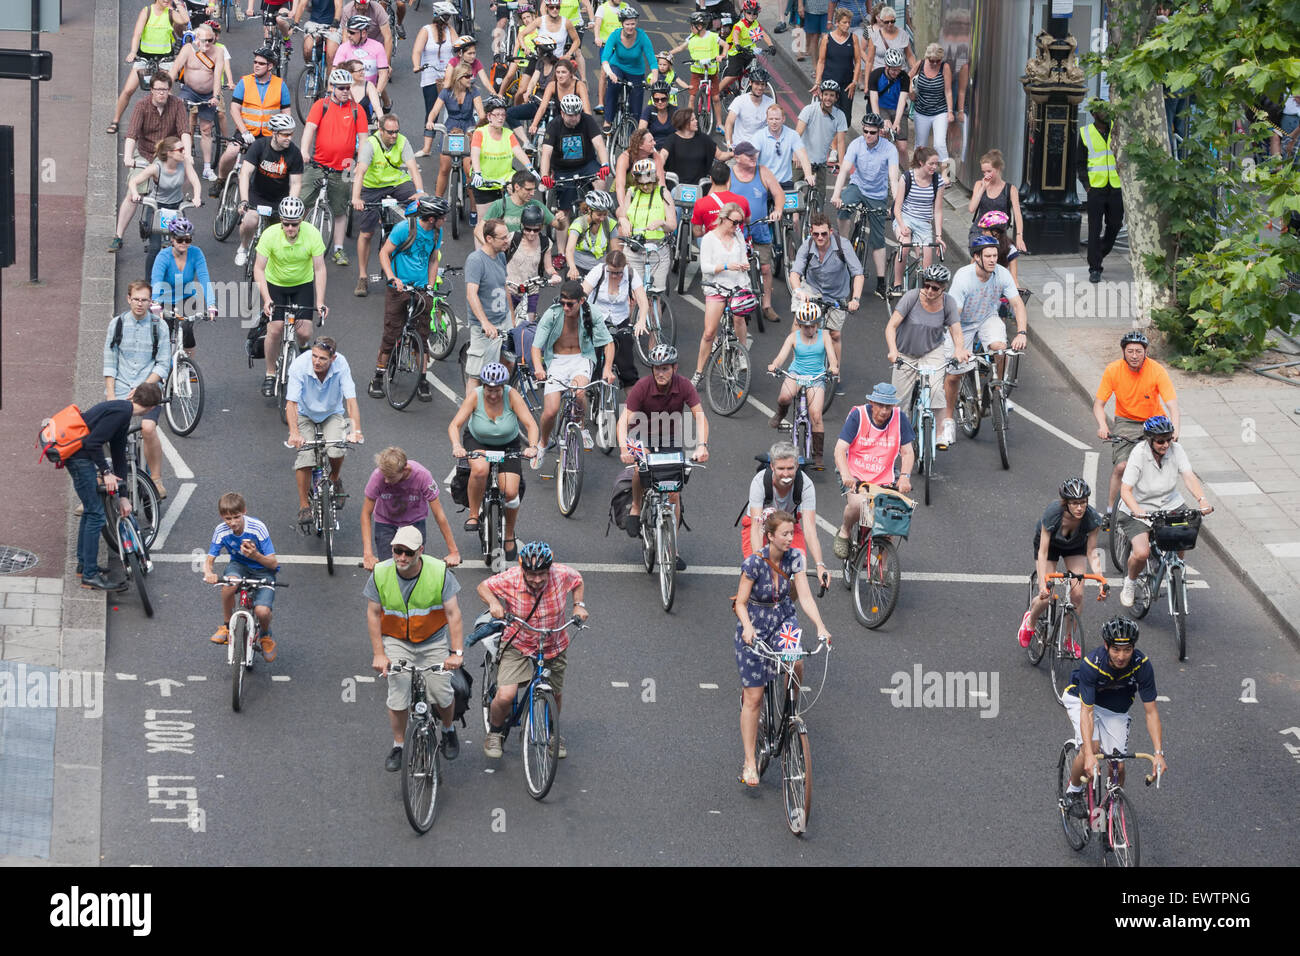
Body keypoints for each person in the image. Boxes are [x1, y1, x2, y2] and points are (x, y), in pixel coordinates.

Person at [734, 509, 831, 787]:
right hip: (755, 623)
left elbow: (804, 596)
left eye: (792, 533)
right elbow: (740, 602)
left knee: (796, 660)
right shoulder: (754, 563)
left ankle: (791, 711)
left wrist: (820, 626)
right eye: (785, 534)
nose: (791, 538)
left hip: (783, 619)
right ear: (771, 536)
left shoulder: (796, 559)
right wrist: (748, 628)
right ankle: (750, 761)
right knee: (753, 697)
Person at [367, 525, 467, 770]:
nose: (401, 557)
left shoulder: (439, 572)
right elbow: (373, 613)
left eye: (408, 553)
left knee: (442, 693)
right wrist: (379, 654)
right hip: (396, 640)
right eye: (397, 551)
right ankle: (399, 745)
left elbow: (453, 614)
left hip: (432, 641)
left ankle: (448, 729)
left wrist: (456, 653)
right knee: (397, 696)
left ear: (420, 551)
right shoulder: (380, 573)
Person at [477, 542, 587, 759]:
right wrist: (494, 603)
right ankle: (496, 732)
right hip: (518, 642)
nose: (537, 579)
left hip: (553, 642)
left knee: (554, 692)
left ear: (550, 568)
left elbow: (578, 581)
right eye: (531, 574)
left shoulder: (561, 574)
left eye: (542, 574)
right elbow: (483, 587)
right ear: (522, 568)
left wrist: (579, 605)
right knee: (506, 695)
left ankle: (554, 734)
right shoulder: (511, 578)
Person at [1060, 617, 1168, 818]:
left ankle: (1113, 808)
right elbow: (1087, 712)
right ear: (1106, 646)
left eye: (1127, 650)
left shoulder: (1142, 665)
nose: (1121, 656)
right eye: (1116, 650)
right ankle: (1073, 792)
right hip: (1082, 702)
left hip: (1115, 709)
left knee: (1117, 763)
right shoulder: (1092, 664)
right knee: (1090, 749)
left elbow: (1151, 712)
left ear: (1133, 648)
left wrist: (1159, 753)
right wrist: (1091, 756)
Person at [61, 383, 164, 591]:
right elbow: (92, 443)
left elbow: (118, 456)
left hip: (80, 458)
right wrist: (105, 473)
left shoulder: (123, 412)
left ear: (134, 394)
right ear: (152, 408)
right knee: (96, 515)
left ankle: (84, 565)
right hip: (79, 459)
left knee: (92, 511)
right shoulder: (120, 413)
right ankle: (89, 576)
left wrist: (123, 495)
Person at [617, 344, 710, 568]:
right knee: (642, 468)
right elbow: (623, 422)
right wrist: (624, 449)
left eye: (665, 368)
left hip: (671, 440)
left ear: (675, 368)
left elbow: (700, 417)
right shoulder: (642, 387)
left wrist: (702, 445)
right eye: (656, 368)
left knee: (674, 494)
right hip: (641, 437)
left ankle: (672, 550)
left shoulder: (685, 385)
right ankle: (637, 506)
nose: (660, 373)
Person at [1116, 415, 1213, 608]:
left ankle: (1174, 569)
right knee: (1142, 553)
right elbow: (1125, 490)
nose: (1166, 444)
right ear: (1149, 440)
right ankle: (1130, 582)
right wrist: (1137, 511)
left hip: (1170, 503)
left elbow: (1188, 476)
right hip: (1139, 507)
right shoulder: (1138, 454)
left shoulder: (1176, 450)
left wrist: (1202, 500)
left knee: (1184, 536)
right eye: (1161, 441)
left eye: (1169, 439)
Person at [939, 236, 1026, 449]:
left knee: (1001, 348)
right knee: (953, 376)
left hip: (987, 318)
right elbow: (954, 316)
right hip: (961, 322)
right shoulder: (963, 277)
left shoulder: (1002, 274)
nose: (992, 260)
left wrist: (1022, 332)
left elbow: (1017, 304)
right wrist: (959, 347)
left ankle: (999, 390)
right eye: (987, 256)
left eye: (995, 256)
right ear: (976, 257)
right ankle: (948, 421)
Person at [448, 362, 541, 557]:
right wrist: (457, 446)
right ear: (483, 386)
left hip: (508, 444)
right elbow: (454, 425)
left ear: (503, 387)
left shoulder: (511, 395)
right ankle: (473, 514)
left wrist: (533, 447)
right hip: (477, 441)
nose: (492, 395)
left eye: (497, 390)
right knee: (480, 470)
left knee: (510, 491)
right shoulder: (475, 396)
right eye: (489, 390)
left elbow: (531, 425)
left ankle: (508, 534)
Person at [1093, 330, 1180, 518]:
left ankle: (1163, 505)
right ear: (1123, 352)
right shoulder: (1113, 370)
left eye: (1138, 351)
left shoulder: (1156, 370)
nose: (1134, 356)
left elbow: (1172, 405)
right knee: (1121, 467)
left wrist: (1176, 429)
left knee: (1161, 465)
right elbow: (1099, 405)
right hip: (1126, 421)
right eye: (1130, 351)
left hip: (1154, 421)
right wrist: (1103, 425)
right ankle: (1111, 511)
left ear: (1145, 352)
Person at [369, 196, 448, 402]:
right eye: (443, 217)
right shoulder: (404, 229)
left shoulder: (436, 232)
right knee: (391, 333)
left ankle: (422, 379)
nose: (445, 220)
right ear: (431, 218)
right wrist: (392, 277)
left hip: (421, 288)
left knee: (422, 335)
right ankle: (378, 377)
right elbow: (384, 253)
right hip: (399, 288)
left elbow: (432, 259)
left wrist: (430, 286)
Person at [1019, 477, 1108, 649]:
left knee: (1078, 596)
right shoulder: (1053, 514)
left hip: (1075, 546)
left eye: (1083, 502)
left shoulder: (1092, 519)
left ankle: (1068, 638)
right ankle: (1030, 621)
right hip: (1050, 545)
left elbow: (1092, 552)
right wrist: (1044, 584)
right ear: (1066, 503)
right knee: (1046, 597)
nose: (1080, 507)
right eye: (1075, 503)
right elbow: (1043, 551)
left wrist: (1101, 580)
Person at [285, 337, 364, 527]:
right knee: (305, 458)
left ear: (333, 358)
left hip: (332, 412)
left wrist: (356, 430)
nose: (316, 362)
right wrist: (294, 433)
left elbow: (351, 400)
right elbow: (291, 404)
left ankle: (335, 479)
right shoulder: (298, 366)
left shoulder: (342, 365)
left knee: (337, 449)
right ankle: (304, 506)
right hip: (304, 414)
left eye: (322, 358)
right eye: (314, 356)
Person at [103, 281, 171, 500]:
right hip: (121, 388)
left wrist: (143, 386)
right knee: (105, 433)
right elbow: (110, 361)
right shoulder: (117, 324)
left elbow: (162, 364)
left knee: (148, 427)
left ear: (150, 302)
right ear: (128, 299)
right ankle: (101, 485)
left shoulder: (159, 326)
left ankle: (156, 479)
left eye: (145, 300)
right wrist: (111, 395)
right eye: (136, 299)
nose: (140, 304)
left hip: (148, 388)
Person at [254, 195, 328, 396]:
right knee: (275, 329)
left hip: (302, 284)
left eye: (294, 224)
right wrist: (267, 298)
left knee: (304, 332)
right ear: (281, 221)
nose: (290, 229)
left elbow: (320, 269)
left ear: (301, 220)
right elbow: (258, 269)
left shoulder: (312, 234)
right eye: (286, 224)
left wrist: (320, 301)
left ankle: (302, 348)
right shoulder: (269, 235)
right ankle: (270, 374)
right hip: (276, 284)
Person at [532, 280, 617, 451]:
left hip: (582, 359)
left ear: (581, 301)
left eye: (570, 304)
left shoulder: (592, 313)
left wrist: (607, 368)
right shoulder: (552, 314)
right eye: (562, 303)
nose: (565, 308)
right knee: (550, 411)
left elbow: (608, 343)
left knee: (579, 393)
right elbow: (536, 346)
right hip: (556, 361)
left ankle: (581, 427)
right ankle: (543, 442)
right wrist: (539, 368)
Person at [831, 382, 914, 558]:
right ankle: (845, 531)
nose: (884, 411)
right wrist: (846, 474)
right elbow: (840, 450)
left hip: (885, 475)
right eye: (881, 406)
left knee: (890, 518)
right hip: (855, 473)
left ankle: (882, 570)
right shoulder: (858, 416)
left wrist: (905, 477)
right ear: (872, 403)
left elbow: (907, 452)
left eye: (888, 406)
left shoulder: (900, 419)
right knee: (857, 504)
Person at [351, 113, 427, 296]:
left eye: (396, 132)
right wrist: (356, 198)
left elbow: (412, 168)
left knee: (418, 211)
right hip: (372, 187)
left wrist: (420, 191)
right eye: (390, 132)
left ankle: (412, 260)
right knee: (367, 233)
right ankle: (362, 276)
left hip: (396, 183)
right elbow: (360, 173)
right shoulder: (370, 144)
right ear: (381, 130)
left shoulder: (402, 141)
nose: (394, 136)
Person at [884, 262, 967, 428]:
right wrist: (893, 351)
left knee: (936, 393)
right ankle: (903, 441)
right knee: (899, 403)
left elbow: (956, 331)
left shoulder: (948, 302)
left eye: (935, 288)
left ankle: (938, 435)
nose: (929, 291)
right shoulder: (912, 297)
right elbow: (891, 326)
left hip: (932, 351)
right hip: (905, 353)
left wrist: (959, 350)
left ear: (943, 288)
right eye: (927, 285)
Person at [301, 70, 368, 267]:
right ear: (332, 88)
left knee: (340, 209)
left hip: (346, 166)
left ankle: (338, 250)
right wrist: (304, 151)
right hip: (318, 163)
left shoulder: (357, 110)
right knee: (302, 201)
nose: (346, 91)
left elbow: (363, 139)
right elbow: (309, 129)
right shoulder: (320, 106)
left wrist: (361, 163)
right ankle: (297, 242)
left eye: (348, 88)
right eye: (341, 88)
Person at [830, 112, 899, 300]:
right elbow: (844, 170)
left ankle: (881, 283)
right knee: (844, 208)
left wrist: (895, 205)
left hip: (877, 194)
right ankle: (844, 244)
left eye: (872, 132)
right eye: (865, 131)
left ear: (880, 132)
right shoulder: (856, 144)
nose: (868, 135)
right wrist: (836, 195)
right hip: (857, 187)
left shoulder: (890, 149)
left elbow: (893, 178)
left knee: (878, 239)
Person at [788, 210, 863, 382]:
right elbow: (795, 273)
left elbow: (858, 273)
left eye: (823, 233)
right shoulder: (807, 246)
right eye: (816, 234)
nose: (820, 237)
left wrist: (855, 299)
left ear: (830, 231)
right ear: (811, 233)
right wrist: (799, 291)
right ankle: (796, 365)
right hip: (812, 290)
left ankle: (835, 371)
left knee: (834, 334)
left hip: (836, 295)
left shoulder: (843, 245)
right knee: (799, 322)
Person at [203, 492, 281, 658]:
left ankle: (266, 636)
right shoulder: (220, 531)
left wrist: (255, 556)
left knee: (262, 611)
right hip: (239, 566)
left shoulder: (257, 528)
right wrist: (208, 573)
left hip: (263, 569)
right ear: (221, 517)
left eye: (236, 517)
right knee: (229, 585)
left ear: (244, 511)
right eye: (227, 518)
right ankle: (225, 625)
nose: (232, 523)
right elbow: (209, 559)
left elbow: (273, 563)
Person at [742, 442, 829, 583]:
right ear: (772, 467)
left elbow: (810, 529)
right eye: (781, 469)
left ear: (797, 466)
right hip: (761, 527)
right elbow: (756, 527)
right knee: (756, 575)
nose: (786, 474)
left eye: (790, 468)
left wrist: (820, 565)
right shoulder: (760, 482)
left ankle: (786, 603)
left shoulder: (805, 485)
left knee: (799, 573)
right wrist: (760, 560)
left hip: (789, 526)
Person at [361, 447, 460, 571]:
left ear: (405, 469)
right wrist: (368, 554)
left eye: (390, 477)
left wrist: (453, 551)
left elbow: (439, 514)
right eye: (384, 476)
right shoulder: (378, 476)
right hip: (386, 521)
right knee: (387, 569)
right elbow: (366, 513)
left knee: (413, 567)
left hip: (414, 522)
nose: (385, 480)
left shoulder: (422, 476)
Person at [766, 301, 838, 468]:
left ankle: (817, 455)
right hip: (796, 374)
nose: (810, 330)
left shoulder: (825, 336)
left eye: (813, 326)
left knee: (816, 415)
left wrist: (833, 367)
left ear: (818, 324)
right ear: (799, 324)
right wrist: (774, 365)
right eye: (806, 327)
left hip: (816, 377)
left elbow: (832, 359)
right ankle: (780, 414)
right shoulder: (793, 337)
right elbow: (780, 357)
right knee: (784, 397)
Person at [693, 200, 753, 385]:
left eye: (740, 223)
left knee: (739, 319)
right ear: (723, 219)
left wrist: (744, 266)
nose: (737, 226)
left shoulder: (739, 237)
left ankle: (741, 355)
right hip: (717, 288)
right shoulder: (709, 239)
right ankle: (699, 372)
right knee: (709, 332)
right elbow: (705, 267)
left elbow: (744, 259)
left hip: (737, 286)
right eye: (734, 222)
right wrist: (726, 266)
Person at [109, 0, 191, 136]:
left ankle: (173, 128)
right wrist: (133, 52)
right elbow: (137, 34)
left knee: (167, 94)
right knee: (128, 89)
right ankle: (115, 120)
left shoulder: (171, 13)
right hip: (145, 58)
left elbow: (185, 20)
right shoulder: (147, 11)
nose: (166, 1)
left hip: (165, 60)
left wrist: (178, 3)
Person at [110, 136, 203, 254]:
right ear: (169, 153)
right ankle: (151, 272)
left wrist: (197, 197)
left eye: (184, 148)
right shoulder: (156, 168)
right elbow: (133, 182)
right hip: (157, 207)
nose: (184, 152)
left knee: (181, 246)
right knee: (154, 248)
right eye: (180, 150)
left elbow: (195, 182)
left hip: (176, 206)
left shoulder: (185, 162)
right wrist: (134, 193)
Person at [235, 111, 304, 268]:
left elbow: (295, 184)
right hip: (257, 195)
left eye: (291, 134)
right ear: (274, 133)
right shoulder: (259, 146)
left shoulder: (294, 153)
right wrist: (244, 200)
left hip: (279, 200)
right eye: (285, 135)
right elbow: (245, 173)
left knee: (281, 235)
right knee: (250, 221)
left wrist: (289, 205)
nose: (289, 138)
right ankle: (244, 247)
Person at [216, 48, 291, 188]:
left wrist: (283, 134)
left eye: (261, 63)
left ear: (270, 66)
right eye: (255, 62)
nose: (256, 65)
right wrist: (244, 131)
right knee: (231, 152)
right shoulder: (244, 82)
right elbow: (234, 109)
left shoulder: (281, 85)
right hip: (246, 132)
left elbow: (286, 113)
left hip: (269, 135)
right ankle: (221, 179)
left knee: (273, 167)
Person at [729, 141, 785, 325]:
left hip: (759, 228)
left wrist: (777, 209)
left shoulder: (763, 171)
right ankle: (738, 303)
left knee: (766, 268)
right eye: (749, 155)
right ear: (737, 157)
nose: (754, 158)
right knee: (737, 269)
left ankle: (766, 306)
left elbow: (778, 193)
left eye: (755, 154)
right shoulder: (730, 175)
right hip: (736, 231)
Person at [150, 216, 218, 365]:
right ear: (172, 239)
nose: (184, 244)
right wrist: (155, 303)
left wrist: (211, 304)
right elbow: (156, 282)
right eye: (180, 240)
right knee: (163, 334)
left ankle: (188, 366)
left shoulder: (196, 253)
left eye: (188, 240)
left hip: (187, 298)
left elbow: (204, 279)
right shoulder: (163, 257)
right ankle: (160, 371)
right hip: (164, 299)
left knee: (187, 329)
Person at [169, 21, 229, 181]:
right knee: (178, 117)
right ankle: (176, 157)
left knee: (206, 129)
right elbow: (174, 70)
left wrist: (215, 96)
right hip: (189, 91)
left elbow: (217, 76)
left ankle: (207, 167)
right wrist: (166, 89)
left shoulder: (218, 52)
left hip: (207, 93)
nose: (208, 43)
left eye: (211, 40)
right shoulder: (188, 50)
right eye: (205, 40)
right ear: (196, 39)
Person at [582, 248, 650, 384]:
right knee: (593, 361)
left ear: (624, 268)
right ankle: (593, 388)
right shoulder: (599, 271)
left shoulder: (631, 273)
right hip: (597, 318)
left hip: (620, 320)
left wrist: (642, 320)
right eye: (611, 272)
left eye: (618, 273)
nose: (614, 276)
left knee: (627, 366)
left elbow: (643, 300)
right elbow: (583, 294)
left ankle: (631, 400)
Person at [463, 219, 514, 393]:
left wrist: (512, 319)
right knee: (476, 375)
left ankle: (499, 397)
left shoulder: (500, 255)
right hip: (485, 327)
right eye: (503, 238)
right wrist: (485, 323)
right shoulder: (476, 260)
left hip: (503, 319)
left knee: (509, 360)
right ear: (489, 239)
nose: (507, 240)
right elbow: (471, 294)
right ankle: (471, 417)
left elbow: (504, 286)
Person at [538, 95, 611, 214]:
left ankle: (599, 214)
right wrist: (545, 175)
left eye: (577, 114)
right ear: (562, 113)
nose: (574, 118)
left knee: (601, 181)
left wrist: (605, 164)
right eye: (570, 115)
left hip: (587, 165)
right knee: (563, 211)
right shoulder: (554, 125)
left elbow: (599, 144)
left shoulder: (587, 120)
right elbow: (546, 154)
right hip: (563, 169)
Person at [470, 96, 535, 227]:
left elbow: (518, 152)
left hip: (505, 181)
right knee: (483, 222)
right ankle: (482, 248)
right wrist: (477, 173)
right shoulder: (480, 133)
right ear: (489, 116)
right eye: (497, 114)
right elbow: (475, 153)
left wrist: (530, 168)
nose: (500, 118)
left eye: (503, 115)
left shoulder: (508, 134)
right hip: (485, 182)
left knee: (511, 217)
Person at [418, 68, 482, 201]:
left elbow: (481, 114)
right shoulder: (446, 92)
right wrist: (430, 121)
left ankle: (474, 210)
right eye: (467, 76)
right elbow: (434, 111)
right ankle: (437, 202)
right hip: (450, 129)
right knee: (444, 168)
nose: (471, 78)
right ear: (458, 78)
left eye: (471, 75)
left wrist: (478, 127)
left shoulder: (474, 91)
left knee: (468, 170)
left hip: (468, 129)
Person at [123, 71, 194, 189]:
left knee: (168, 187)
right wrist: (127, 157)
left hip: (166, 155)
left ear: (169, 90)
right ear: (151, 90)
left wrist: (188, 153)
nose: (161, 93)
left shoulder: (177, 104)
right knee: (134, 191)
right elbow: (132, 134)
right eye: (158, 89)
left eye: (165, 90)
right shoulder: (142, 106)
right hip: (144, 153)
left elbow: (184, 132)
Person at [890, 145, 946, 294]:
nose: (935, 167)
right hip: (905, 218)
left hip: (924, 223)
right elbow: (897, 207)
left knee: (927, 266)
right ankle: (897, 282)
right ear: (921, 163)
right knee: (905, 246)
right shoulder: (907, 178)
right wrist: (902, 225)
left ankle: (921, 293)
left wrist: (939, 236)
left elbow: (938, 210)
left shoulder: (938, 181)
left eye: (936, 163)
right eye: (931, 164)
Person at [1079, 100, 1123, 284]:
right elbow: (1079, 162)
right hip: (1096, 188)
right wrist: (1086, 184)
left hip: (1116, 186)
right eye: (1101, 112)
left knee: (1115, 225)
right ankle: (1095, 268)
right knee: (1094, 228)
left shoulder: (1117, 130)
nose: (1105, 114)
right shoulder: (1085, 132)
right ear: (1094, 114)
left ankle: (1099, 251)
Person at [618, 158, 677, 293]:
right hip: (634, 249)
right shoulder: (632, 193)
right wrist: (623, 220)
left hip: (658, 250)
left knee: (656, 294)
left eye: (649, 183)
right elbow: (622, 215)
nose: (645, 187)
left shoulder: (663, 193)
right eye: (641, 183)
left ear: (655, 179)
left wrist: (662, 223)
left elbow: (672, 225)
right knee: (634, 295)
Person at [667, 11, 727, 131]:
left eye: (692, 25)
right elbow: (680, 47)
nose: (691, 28)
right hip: (697, 72)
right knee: (692, 98)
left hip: (711, 72)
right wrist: (668, 53)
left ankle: (719, 124)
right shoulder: (691, 37)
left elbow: (725, 45)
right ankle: (689, 121)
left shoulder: (713, 36)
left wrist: (722, 55)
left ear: (700, 26)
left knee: (715, 98)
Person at [600, 6, 656, 133]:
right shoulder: (615, 35)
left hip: (636, 71)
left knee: (636, 106)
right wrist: (610, 73)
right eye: (627, 24)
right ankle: (608, 120)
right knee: (613, 87)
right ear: (622, 23)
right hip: (617, 66)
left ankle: (632, 134)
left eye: (633, 23)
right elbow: (605, 58)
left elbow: (651, 58)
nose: (630, 27)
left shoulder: (642, 36)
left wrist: (654, 75)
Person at [504, 203, 563, 323]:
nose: (531, 233)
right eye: (527, 229)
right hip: (510, 289)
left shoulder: (545, 243)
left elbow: (548, 267)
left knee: (528, 324)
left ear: (541, 227)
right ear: (522, 226)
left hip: (531, 291)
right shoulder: (512, 239)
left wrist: (554, 275)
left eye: (535, 230)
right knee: (508, 324)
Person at [966, 149, 1025, 254]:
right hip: (979, 230)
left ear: (998, 169)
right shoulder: (979, 184)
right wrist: (983, 189)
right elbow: (971, 209)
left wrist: (1019, 236)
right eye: (983, 172)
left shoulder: (1010, 189)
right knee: (980, 255)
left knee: (1009, 256)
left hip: (999, 234)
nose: (985, 175)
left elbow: (1017, 214)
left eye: (989, 171)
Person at [795, 81, 847, 196]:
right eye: (826, 94)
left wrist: (842, 163)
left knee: (820, 197)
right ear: (821, 95)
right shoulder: (809, 110)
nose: (828, 98)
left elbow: (841, 142)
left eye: (832, 95)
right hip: (802, 160)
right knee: (792, 196)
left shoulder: (840, 116)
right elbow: (797, 134)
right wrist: (795, 155)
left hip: (820, 162)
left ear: (836, 98)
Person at [476, 170, 556, 244]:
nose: (532, 193)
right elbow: (478, 231)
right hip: (506, 254)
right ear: (517, 187)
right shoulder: (499, 205)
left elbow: (558, 225)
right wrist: (492, 249)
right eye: (528, 189)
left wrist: (561, 220)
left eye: (533, 190)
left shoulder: (537, 205)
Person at [662, 108, 732, 190]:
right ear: (683, 123)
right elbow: (663, 155)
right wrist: (660, 167)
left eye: (695, 119)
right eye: (692, 120)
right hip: (676, 187)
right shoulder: (672, 139)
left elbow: (720, 155)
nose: (696, 121)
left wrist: (733, 153)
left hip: (700, 187)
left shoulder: (704, 139)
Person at [411, 2, 458, 119]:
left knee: (453, 111)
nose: (449, 20)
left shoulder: (450, 30)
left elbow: (458, 46)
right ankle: (429, 135)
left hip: (449, 74)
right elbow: (417, 51)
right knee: (432, 113)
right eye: (447, 17)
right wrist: (416, 65)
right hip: (430, 77)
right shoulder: (426, 30)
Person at [909, 43, 954, 167]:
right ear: (927, 57)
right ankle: (918, 171)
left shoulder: (945, 67)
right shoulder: (921, 64)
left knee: (939, 144)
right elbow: (908, 77)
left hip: (940, 110)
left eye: (937, 61)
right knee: (920, 145)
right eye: (931, 61)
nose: (934, 63)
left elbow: (948, 91)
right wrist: (910, 91)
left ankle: (946, 175)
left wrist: (950, 112)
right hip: (921, 110)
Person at [812, 10, 860, 123]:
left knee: (846, 119)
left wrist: (854, 82)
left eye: (849, 22)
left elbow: (857, 62)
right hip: (829, 86)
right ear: (837, 22)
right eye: (844, 22)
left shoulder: (854, 39)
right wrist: (818, 82)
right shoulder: (826, 39)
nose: (848, 25)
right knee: (829, 118)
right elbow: (821, 61)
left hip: (847, 86)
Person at [719, 0, 774, 97]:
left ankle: (743, 88)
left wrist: (771, 45)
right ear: (744, 12)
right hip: (736, 52)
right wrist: (737, 44)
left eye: (754, 13)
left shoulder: (755, 24)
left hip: (749, 51)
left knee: (752, 71)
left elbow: (763, 34)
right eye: (749, 13)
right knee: (734, 74)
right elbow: (735, 34)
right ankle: (717, 91)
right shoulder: (740, 24)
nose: (752, 15)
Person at [333, 14, 391, 105]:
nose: (348, 35)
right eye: (348, 31)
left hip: (368, 94)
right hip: (348, 94)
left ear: (363, 33)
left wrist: (377, 94)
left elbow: (383, 73)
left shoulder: (378, 47)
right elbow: (335, 71)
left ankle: (386, 104)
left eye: (352, 33)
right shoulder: (343, 48)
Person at [868, 47, 910, 163]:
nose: (896, 73)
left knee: (902, 147)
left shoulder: (904, 77)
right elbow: (874, 100)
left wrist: (897, 122)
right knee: (883, 136)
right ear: (887, 66)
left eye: (898, 69)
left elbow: (902, 101)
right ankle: (881, 170)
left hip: (897, 109)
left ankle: (906, 175)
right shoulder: (876, 75)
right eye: (893, 70)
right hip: (881, 108)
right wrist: (880, 121)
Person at [567, 189, 621, 278]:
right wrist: (572, 268)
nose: (602, 218)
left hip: (601, 268)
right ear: (589, 210)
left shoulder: (610, 224)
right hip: (579, 268)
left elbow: (616, 250)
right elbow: (569, 250)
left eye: (605, 214)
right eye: (599, 214)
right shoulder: (578, 224)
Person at [757, 104, 813, 190]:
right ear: (767, 120)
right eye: (771, 119)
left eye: (777, 119)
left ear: (783, 119)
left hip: (785, 183)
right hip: (764, 183)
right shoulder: (759, 136)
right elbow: (752, 158)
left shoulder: (792, 135)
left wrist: (808, 175)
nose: (774, 122)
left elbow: (803, 157)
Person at [690, 160, 750, 238]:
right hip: (735, 246)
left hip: (713, 246)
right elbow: (747, 221)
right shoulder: (742, 200)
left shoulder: (700, 203)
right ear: (729, 179)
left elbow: (697, 233)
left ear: (711, 179)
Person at [614, 129, 667, 212]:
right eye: (651, 141)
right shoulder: (625, 158)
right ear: (640, 145)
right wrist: (624, 207)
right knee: (621, 213)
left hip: (643, 192)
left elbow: (661, 184)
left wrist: (662, 204)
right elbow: (620, 186)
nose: (654, 143)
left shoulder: (655, 156)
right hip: (622, 194)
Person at [723, 69, 774, 147]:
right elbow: (729, 123)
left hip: (760, 148)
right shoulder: (740, 100)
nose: (760, 87)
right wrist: (729, 144)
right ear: (750, 83)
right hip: (739, 147)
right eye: (757, 84)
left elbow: (775, 127)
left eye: (762, 84)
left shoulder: (771, 103)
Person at [863, 2, 915, 73]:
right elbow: (866, 56)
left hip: (899, 72)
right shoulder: (871, 31)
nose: (889, 24)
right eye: (886, 22)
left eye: (892, 21)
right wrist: (871, 68)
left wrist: (915, 72)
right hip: (880, 71)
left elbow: (910, 55)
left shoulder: (902, 33)